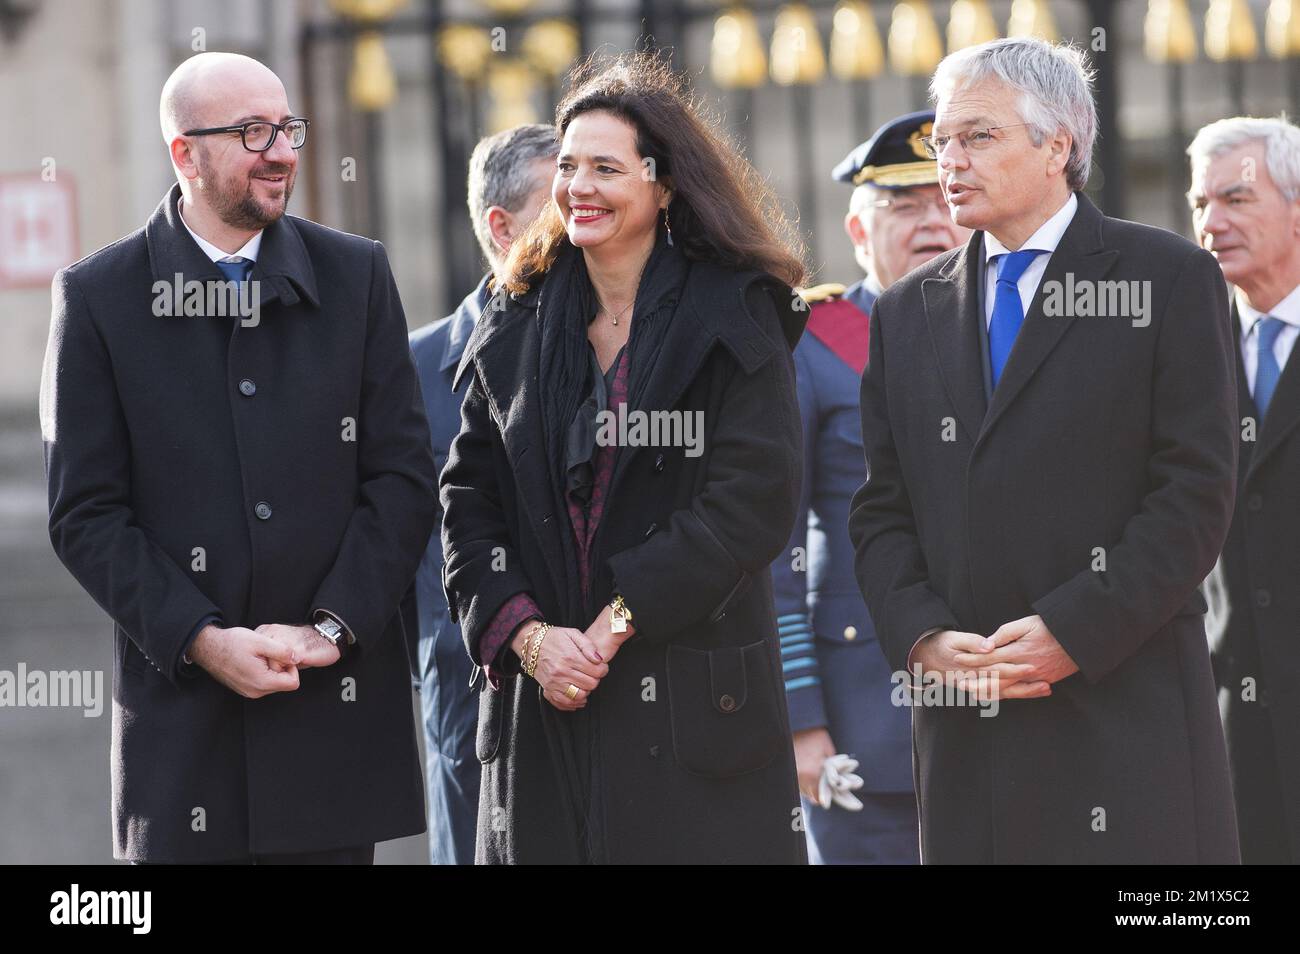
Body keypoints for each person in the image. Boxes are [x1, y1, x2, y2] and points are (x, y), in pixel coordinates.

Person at [849, 37, 1240, 863]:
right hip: (968, 737)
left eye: (976, 137)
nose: (948, 160)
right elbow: (882, 510)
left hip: (1123, 715)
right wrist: (920, 635)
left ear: (1058, 143)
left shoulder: (1168, 278)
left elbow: (1195, 494)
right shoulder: (905, 310)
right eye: (941, 141)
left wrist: (1074, 629)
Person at [39, 52, 436, 863]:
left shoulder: (357, 275)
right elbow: (85, 514)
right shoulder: (99, 297)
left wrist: (332, 627)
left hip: (328, 723)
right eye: (253, 131)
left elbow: (401, 479)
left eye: (288, 127)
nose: (283, 150)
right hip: (183, 741)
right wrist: (201, 638)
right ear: (185, 153)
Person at [439, 53, 809, 864]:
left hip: (690, 716)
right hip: (542, 715)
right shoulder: (516, 312)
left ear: (662, 184)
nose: (580, 187)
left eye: (607, 168)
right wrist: (532, 640)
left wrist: (609, 628)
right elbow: (467, 502)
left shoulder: (734, 310)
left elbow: (752, 503)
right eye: (569, 166)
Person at [775, 110, 967, 864]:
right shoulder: (813, 343)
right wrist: (800, 721)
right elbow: (772, 549)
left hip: (1006, 696)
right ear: (859, 235)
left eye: (944, 202)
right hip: (866, 721)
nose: (931, 224)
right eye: (902, 206)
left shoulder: (1008, 332)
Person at [406, 123, 557, 865]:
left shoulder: (614, 343)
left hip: (596, 670)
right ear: (501, 226)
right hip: (471, 693)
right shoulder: (414, 367)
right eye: (560, 198)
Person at [1189, 115, 1300, 864]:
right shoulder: (1184, 347)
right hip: (1233, 713)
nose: (1211, 223)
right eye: (1199, 204)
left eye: (1234, 199)